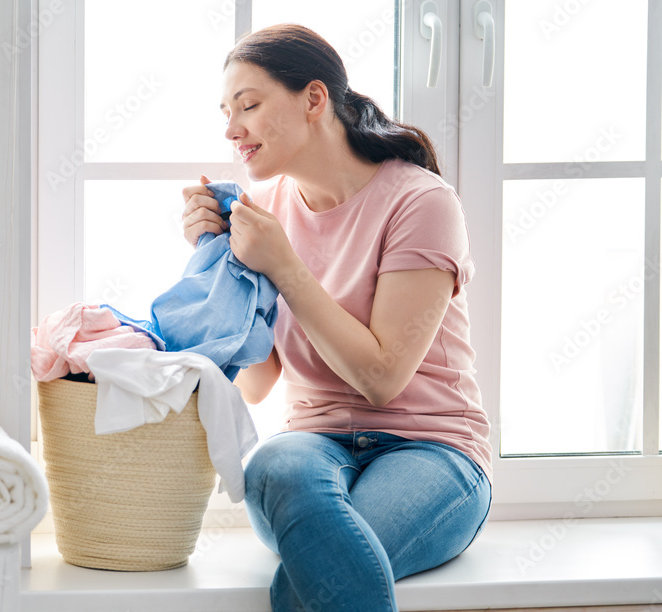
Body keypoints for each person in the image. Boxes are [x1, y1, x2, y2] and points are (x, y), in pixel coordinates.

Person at [181, 24, 493, 612]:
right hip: (312, 441)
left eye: (248, 106)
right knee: (277, 466)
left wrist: (285, 266)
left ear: (315, 99)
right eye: (226, 112)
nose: (231, 129)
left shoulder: (421, 202)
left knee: (314, 578)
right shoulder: (266, 212)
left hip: (431, 450)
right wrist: (215, 265)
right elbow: (255, 381)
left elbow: (381, 378)